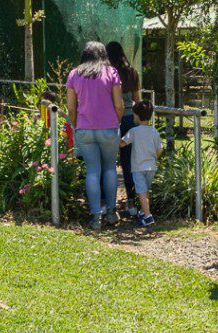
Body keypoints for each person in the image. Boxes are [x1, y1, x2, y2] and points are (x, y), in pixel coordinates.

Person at [67, 41, 125, 229]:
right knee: (109, 169)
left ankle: (95, 217)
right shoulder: (111, 72)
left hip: (84, 129)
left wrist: (76, 125)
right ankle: (111, 213)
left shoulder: (74, 74)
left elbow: (71, 108)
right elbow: (119, 105)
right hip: (108, 128)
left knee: (92, 171)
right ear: (103, 55)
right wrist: (116, 121)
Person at [107, 41, 143, 217]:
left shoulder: (107, 74)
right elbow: (137, 99)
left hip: (110, 120)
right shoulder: (132, 73)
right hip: (129, 119)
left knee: (108, 163)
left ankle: (108, 202)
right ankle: (131, 201)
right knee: (128, 162)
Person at [121, 99, 162, 228]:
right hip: (151, 167)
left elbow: (122, 143)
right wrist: (154, 158)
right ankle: (143, 212)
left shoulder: (134, 131)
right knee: (146, 190)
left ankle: (148, 216)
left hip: (138, 167)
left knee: (141, 191)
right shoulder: (154, 131)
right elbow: (160, 149)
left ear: (137, 116)